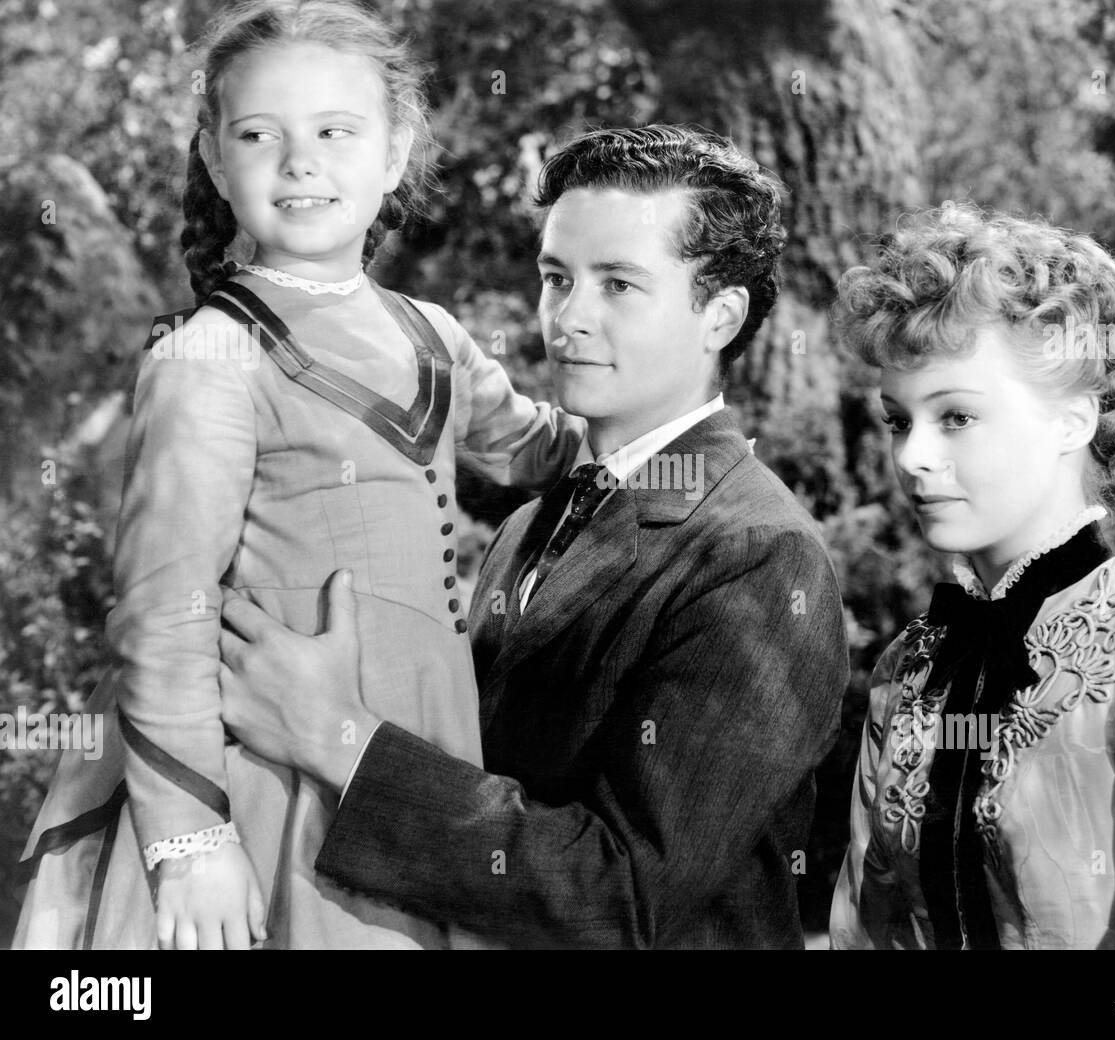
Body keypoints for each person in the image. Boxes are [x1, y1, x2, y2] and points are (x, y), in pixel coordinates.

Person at [13, 0, 583, 951]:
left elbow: (535, 446)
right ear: (213, 156)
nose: (300, 160)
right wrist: (192, 840)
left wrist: (657, 438)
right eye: (259, 134)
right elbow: (162, 616)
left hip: (409, 760)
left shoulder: (432, 333)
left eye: (334, 130)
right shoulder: (209, 359)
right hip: (273, 787)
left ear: (395, 151)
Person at [218, 124, 851, 949]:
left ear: (720, 316)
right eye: (558, 278)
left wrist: (340, 739)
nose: (568, 318)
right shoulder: (533, 521)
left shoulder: (757, 554)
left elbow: (624, 894)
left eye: (619, 285)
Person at [829, 202, 1115, 950]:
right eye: (898, 420)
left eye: (957, 417)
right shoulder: (909, 668)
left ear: (1072, 420)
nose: (912, 457)